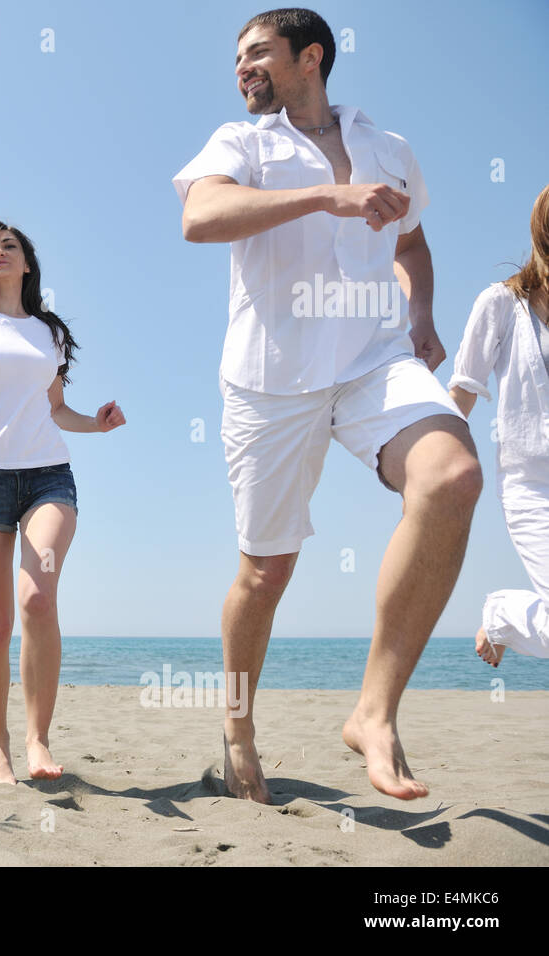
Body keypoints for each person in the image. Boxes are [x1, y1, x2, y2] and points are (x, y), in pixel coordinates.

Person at [172, 8, 482, 802]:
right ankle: (238, 726)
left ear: (309, 57)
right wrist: (325, 197)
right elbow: (199, 218)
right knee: (265, 573)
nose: (242, 67)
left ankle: (374, 714)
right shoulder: (241, 143)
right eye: (236, 56)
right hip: (270, 380)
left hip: (375, 359)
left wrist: (421, 316)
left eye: (257, 54)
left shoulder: (390, 150)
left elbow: (409, 242)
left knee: (451, 478)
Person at [0, 221, 125, 784]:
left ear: (25, 263)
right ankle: (0, 749)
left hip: (48, 477)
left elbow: (57, 410)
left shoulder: (49, 332)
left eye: (9, 246)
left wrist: (96, 423)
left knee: (37, 601)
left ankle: (38, 740)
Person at [449, 184, 549, 666]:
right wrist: (429, 468)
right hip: (531, 488)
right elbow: (461, 393)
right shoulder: (501, 306)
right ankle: (503, 613)